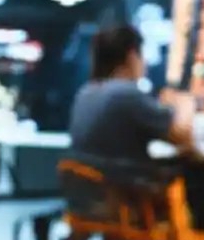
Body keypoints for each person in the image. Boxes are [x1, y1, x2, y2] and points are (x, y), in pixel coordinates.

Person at [69, 25, 193, 162]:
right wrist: (185, 102)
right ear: (132, 56)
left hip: (92, 179)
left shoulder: (85, 93)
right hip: (125, 180)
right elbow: (182, 136)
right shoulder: (125, 94)